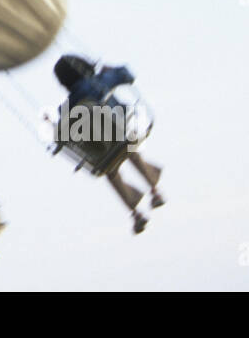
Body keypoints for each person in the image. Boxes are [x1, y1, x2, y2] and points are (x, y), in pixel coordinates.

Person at [53, 54, 165, 234]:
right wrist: (108, 69)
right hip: (122, 136)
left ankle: (135, 213)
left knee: (110, 169)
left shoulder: (65, 109)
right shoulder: (97, 82)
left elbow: (62, 135)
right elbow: (127, 75)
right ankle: (154, 190)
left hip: (101, 154)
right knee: (129, 148)